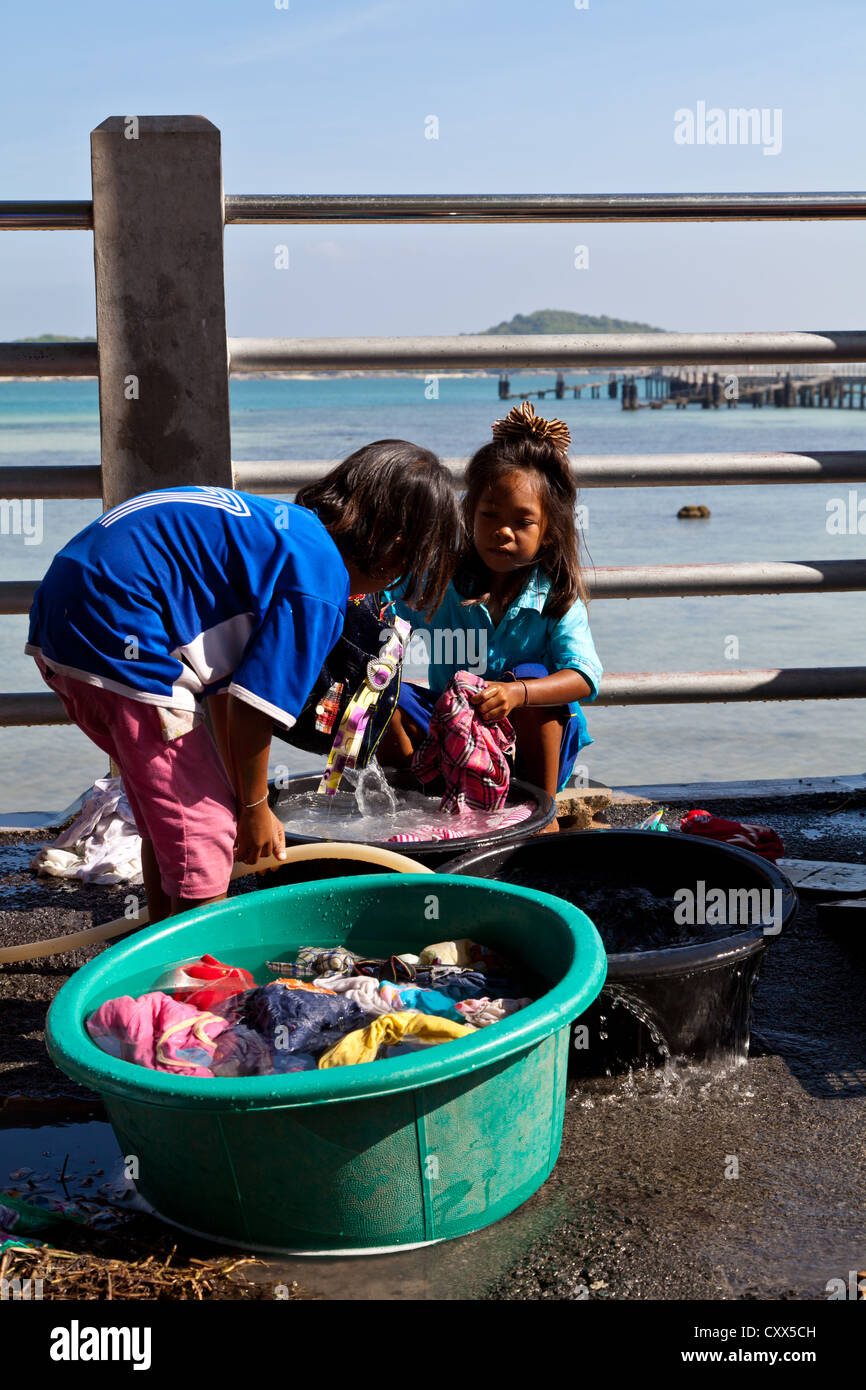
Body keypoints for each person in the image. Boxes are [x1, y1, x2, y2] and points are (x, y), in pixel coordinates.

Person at [26, 442, 461, 920]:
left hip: (66, 619)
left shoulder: (284, 534)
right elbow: (253, 707)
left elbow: (225, 692)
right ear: (400, 548)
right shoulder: (319, 579)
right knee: (210, 827)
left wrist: (240, 789)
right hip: (118, 628)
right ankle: (198, 981)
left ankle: (155, 947)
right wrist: (254, 808)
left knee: (171, 820)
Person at [379, 402, 602, 824]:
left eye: (523, 522)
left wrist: (517, 694)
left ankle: (542, 812)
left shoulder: (555, 597)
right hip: (453, 736)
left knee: (537, 679)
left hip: (527, 749)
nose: (503, 531)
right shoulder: (440, 579)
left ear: (549, 531)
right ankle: (419, 795)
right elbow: (380, 596)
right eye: (490, 516)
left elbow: (585, 676)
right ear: (469, 514)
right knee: (385, 693)